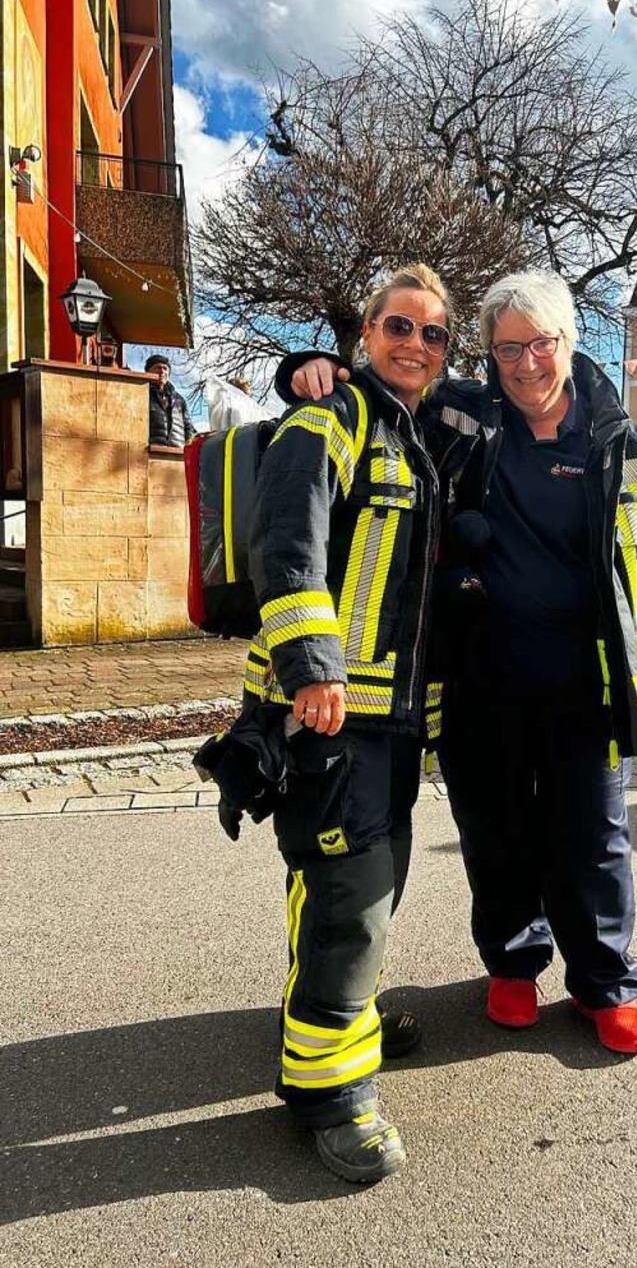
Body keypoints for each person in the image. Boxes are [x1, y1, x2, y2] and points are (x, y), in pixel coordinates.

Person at [220, 264, 463, 1184]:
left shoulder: (416, 434)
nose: (415, 344)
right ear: (366, 334)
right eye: (398, 326)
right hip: (326, 712)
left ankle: (341, 1019)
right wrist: (312, 666)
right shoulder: (332, 418)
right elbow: (287, 542)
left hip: (388, 725)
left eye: (433, 333)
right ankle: (330, 1093)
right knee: (348, 896)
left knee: (368, 882)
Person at [434, 271, 637, 1057]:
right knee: (496, 831)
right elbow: (386, 387)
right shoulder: (462, 417)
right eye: (506, 348)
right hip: (484, 675)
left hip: (589, 681)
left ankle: (603, 982)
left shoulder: (623, 441)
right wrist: (309, 370)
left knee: (594, 837)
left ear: (567, 341)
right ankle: (514, 963)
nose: (524, 364)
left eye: (538, 343)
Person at [144, 355, 194, 447]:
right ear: (147, 372)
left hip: (177, 451)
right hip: (149, 450)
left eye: (165, 368)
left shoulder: (179, 400)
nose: (162, 371)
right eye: (157, 367)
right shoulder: (142, 395)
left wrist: (189, 446)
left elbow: (188, 428)